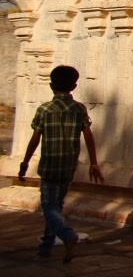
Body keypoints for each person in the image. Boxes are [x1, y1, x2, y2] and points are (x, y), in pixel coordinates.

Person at [18, 65, 105, 262]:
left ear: (51, 85)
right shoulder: (78, 109)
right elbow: (88, 135)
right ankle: (46, 245)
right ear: (74, 86)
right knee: (56, 205)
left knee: (48, 206)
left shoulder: (45, 110)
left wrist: (25, 162)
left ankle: (67, 234)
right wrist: (94, 163)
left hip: (49, 165)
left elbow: (35, 139)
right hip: (68, 165)